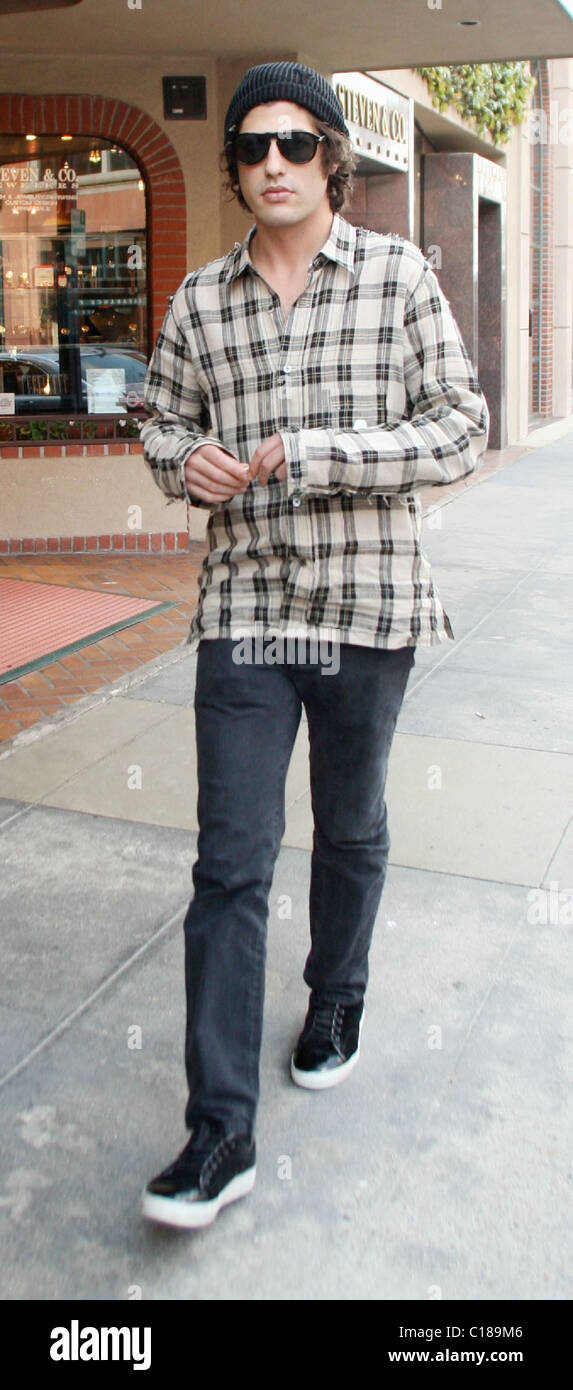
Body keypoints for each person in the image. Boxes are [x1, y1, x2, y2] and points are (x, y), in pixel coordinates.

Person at [139, 61, 490, 1230]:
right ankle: (220, 1130)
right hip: (243, 609)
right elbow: (162, 416)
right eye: (251, 147)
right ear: (236, 168)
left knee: (348, 826)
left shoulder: (397, 277)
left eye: (295, 142)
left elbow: (461, 428)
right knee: (229, 863)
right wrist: (179, 461)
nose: (273, 163)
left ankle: (336, 994)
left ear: (332, 156)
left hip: (364, 606)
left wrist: (324, 451)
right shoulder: (199, 300)